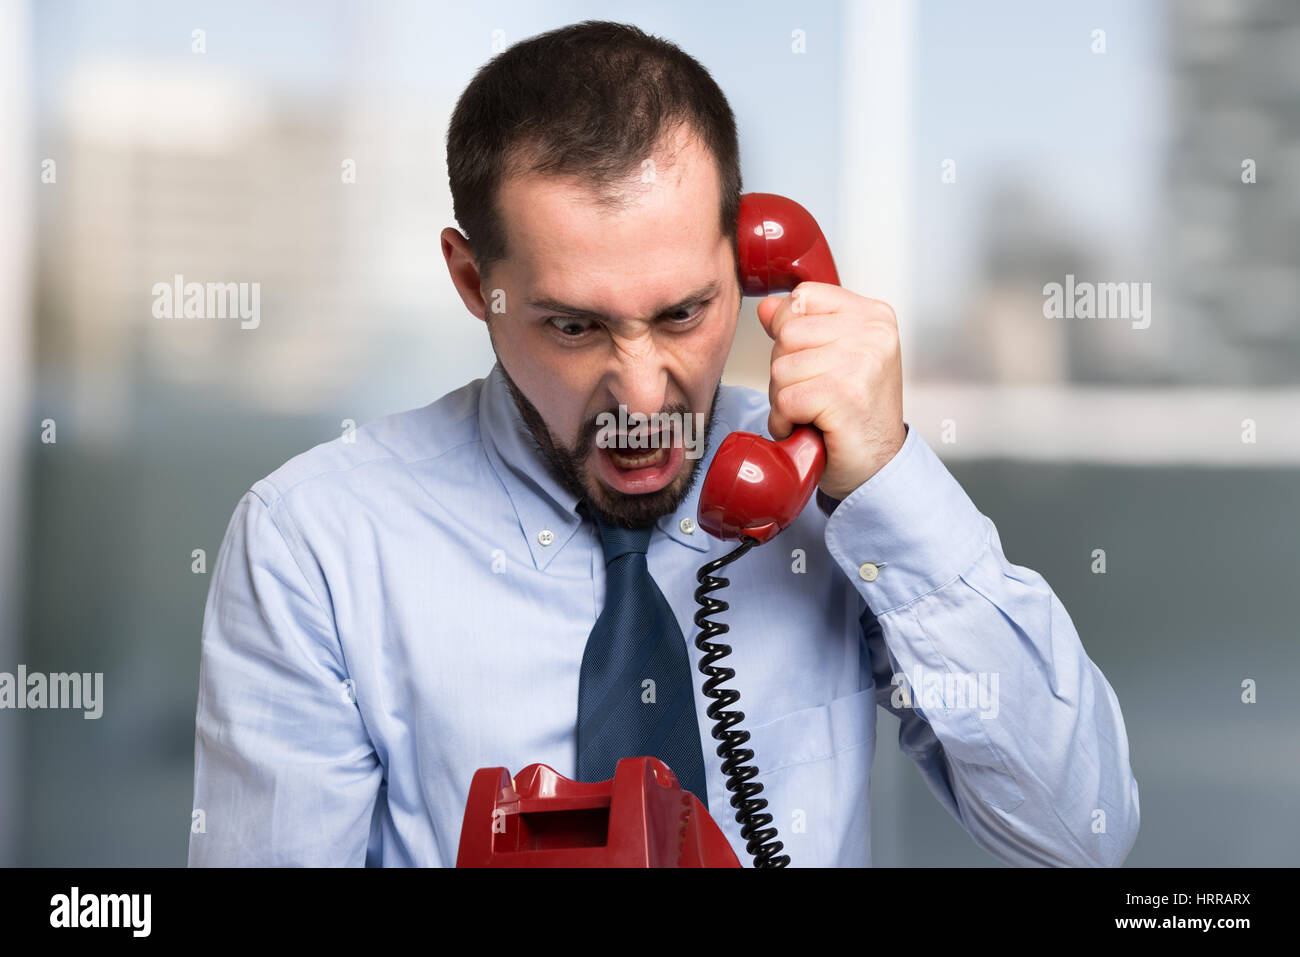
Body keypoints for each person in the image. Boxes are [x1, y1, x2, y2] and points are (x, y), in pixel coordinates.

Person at [187, 20, 1139, 867]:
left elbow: (1081, 834)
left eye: (684, 312)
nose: (643, 391)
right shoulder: (312, 542)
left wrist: (886, 483)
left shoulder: (831, 501)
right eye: (573, 328)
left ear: (753, 263)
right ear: (477, 283)